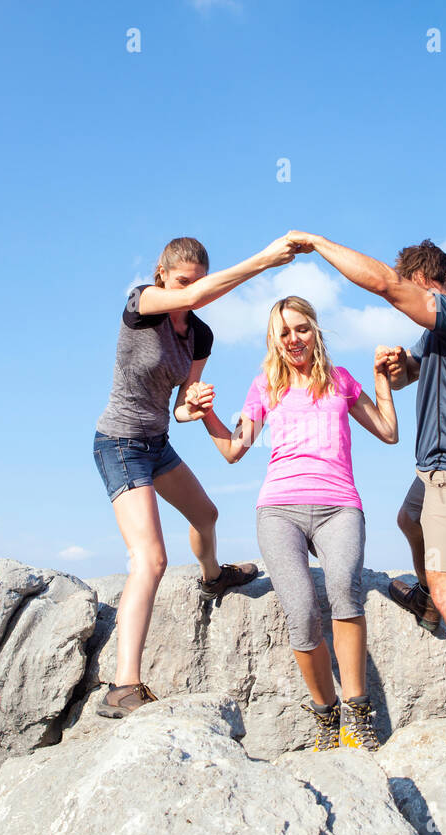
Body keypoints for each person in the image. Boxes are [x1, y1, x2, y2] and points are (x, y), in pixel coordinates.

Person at [284, 232, 446, 726]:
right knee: (410, 519)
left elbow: (388, 287)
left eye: (421, 292)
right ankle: (427, 601)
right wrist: (396, 366)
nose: (415, 305)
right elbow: (415, 372)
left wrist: (319, 245)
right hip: (433, 470)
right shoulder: (438, 336)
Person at [92, 235, 298, 718]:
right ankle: (123, 687)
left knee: (207, 514)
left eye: (200, 280)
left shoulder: (200, 335)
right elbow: (186, 299)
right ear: (162, 274)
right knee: (151, 559)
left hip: (157, 443)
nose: (194, 290)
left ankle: (213, 578)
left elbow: (182, 407)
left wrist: (195, 405)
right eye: (185, 281)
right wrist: (266, 260)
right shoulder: (142, 303)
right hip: (118, 444)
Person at [196, 295, 398, 750]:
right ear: (274, 340)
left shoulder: (341, 380)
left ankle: (358, 717)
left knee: (345, 590)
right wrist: (205, 411)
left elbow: (388, 432)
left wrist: (382, 379)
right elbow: (233, 450)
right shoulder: (265, 384)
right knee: (303, 612)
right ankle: (327, 719)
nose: (293, 339)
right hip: (279, 510)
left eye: (301, 329)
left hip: (338, 506)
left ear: (316, 331)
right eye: (283, 332)